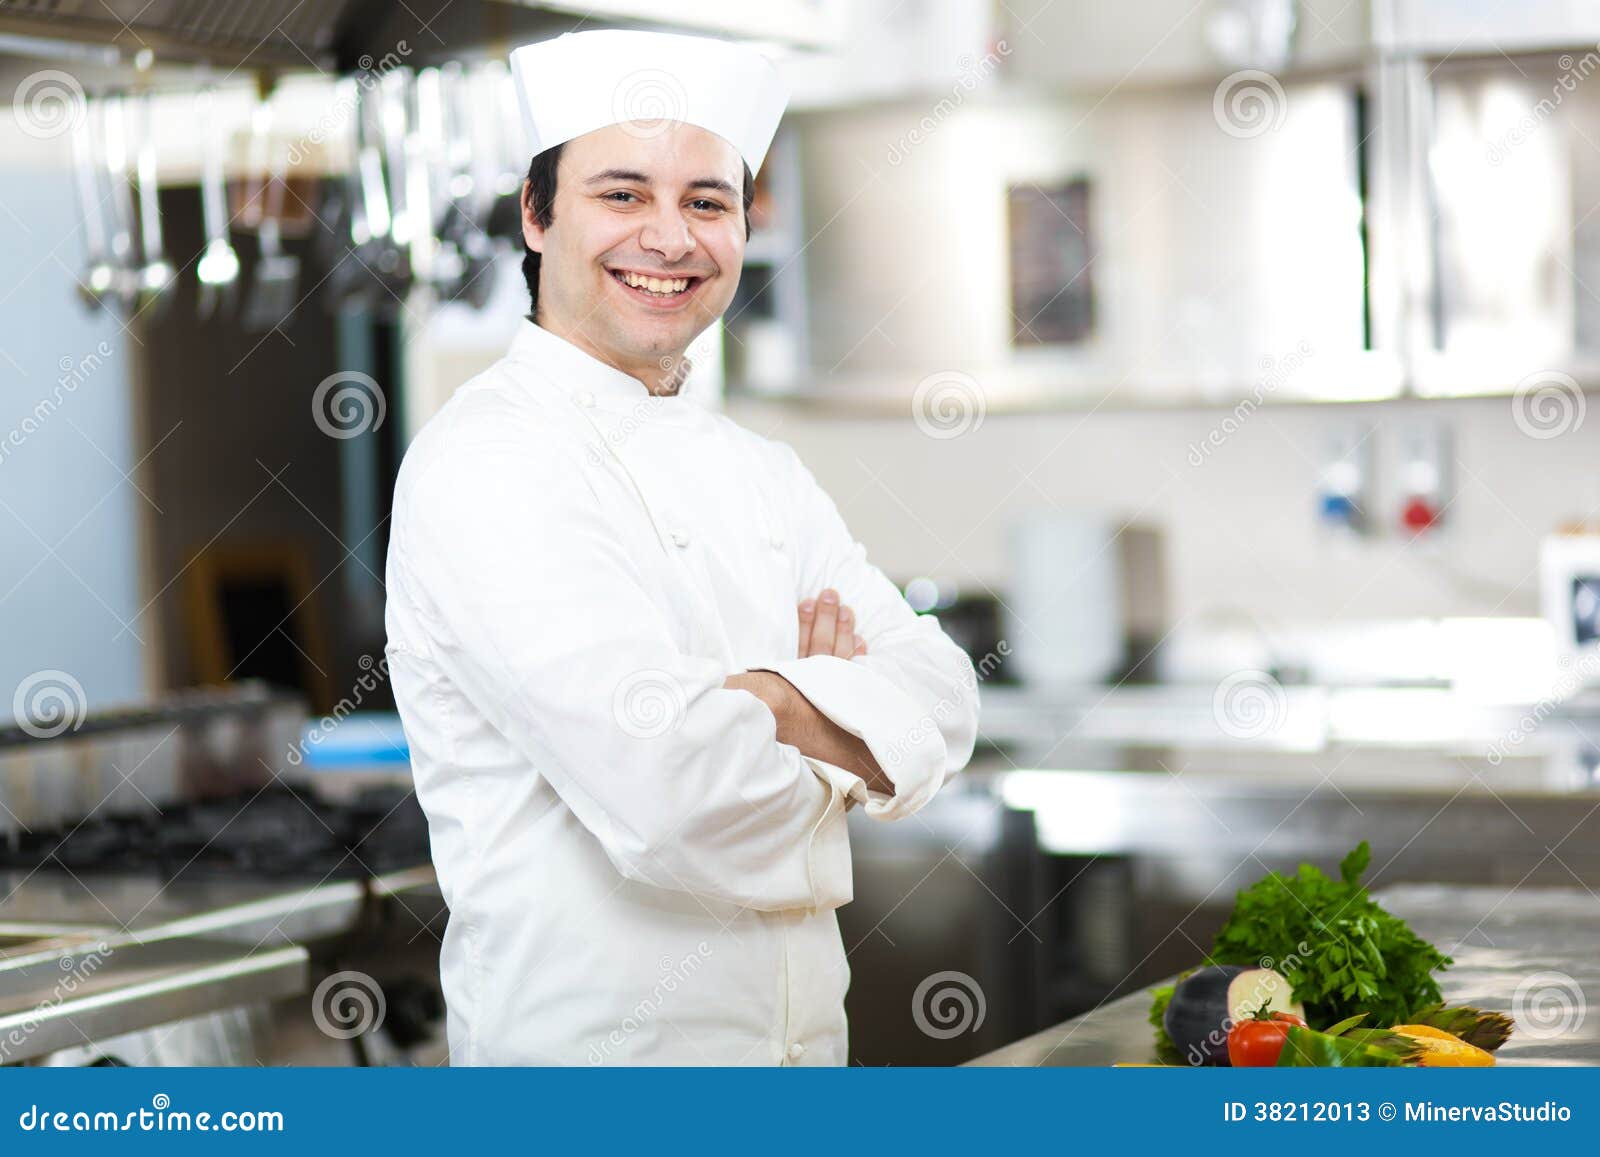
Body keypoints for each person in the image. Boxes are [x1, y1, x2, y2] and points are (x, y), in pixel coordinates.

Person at [384, 28, 979, 1066]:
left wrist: (758, 704)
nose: (670, 238)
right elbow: (678, 799)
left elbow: (945, 696)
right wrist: (832, 709)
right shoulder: (485, 464)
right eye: (622, 195)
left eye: (707, 202)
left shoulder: (761, 470)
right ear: (536, 215)